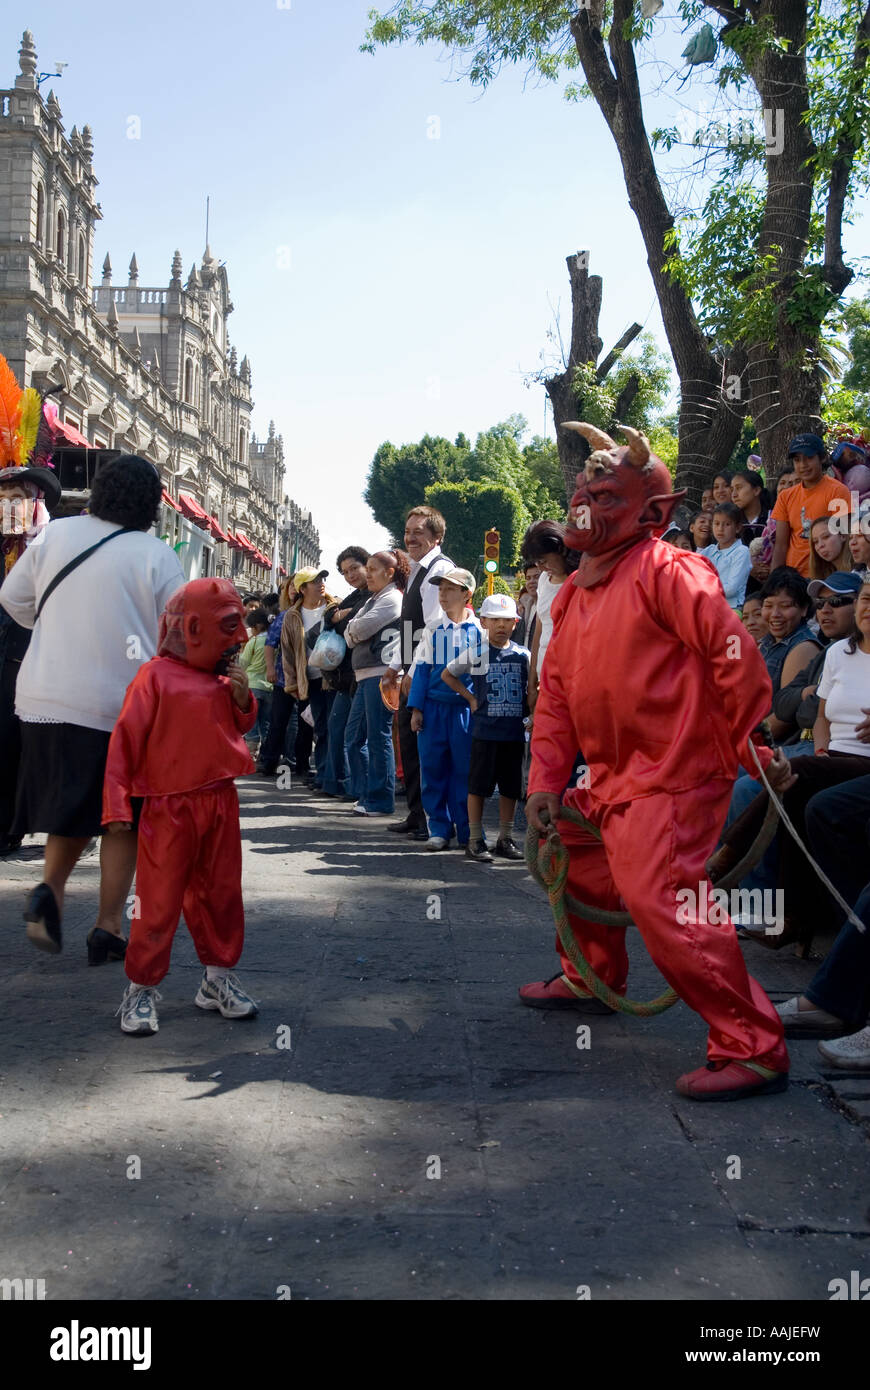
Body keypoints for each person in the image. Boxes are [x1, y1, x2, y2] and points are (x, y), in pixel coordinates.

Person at [521, 420, 794, 1102]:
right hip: (616, 778)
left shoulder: (670, 570)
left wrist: (742, 741)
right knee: (577, 846)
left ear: (651, 512)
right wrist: (546, 783)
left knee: (665, 899)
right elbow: (554, 696)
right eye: (586, 487)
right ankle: (592, 974)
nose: (585, 502)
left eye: (605, 492)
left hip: (673, 775)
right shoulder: (580, 594)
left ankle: (751, 1045)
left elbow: (732, 654)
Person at [0, 454, 184, 960]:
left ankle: (50, 891)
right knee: (119, 816)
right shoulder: (157, 555)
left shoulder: (54, 535)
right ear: (151, 502)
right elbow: (179, 635)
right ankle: (108, 927)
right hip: (121, 706)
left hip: (43, 697)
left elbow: (13, 600)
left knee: (68, 806)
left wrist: (57, 630)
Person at [103, 579, 259, 1035]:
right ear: (193, 628)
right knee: (156, 899)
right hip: (168, 808)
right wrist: (116, 805)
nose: (241, 637)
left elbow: (239, 723)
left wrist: (242, 697)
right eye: (231, 625)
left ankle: (217, 978)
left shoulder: (220, 676)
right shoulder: (153, 676)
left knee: (223, 893)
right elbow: (124, 742)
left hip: (219, 800)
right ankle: (141, 985)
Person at [0, 456, 62, 854]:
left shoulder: (49, 550)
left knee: (14, 743)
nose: (9, 506)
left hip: (28, 663)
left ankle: (10, 824)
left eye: (18, 497)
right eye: (3, 497)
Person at [441, 592, 531, 863]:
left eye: (507, 620)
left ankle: (505, 837)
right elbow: (448, 674)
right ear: (483, 621)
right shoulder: (477, 653)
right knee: (478, 786)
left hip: (513, 733)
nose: (501, 626)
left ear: (516, 623)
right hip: (484, 731)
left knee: (510, 788)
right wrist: (470, 698)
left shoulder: (523, 655)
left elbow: (532, 687)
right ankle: (475, 838)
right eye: (495, 620)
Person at [382, 507, 455, 842]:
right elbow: (410, 628)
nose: (410, 538)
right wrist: (394, 667)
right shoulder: (416, 572)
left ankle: (432, 819)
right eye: (407, 531)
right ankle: (416, 814)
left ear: (436, 537)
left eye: (418, 532)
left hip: (429, 674)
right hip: (413, 670)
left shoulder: (439, 570)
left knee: (425, 749)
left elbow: (434, 629)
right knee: (409, 746)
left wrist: (412, 670)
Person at [407, 568, 480, 851]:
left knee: (464, 771)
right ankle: (438, 827)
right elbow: (423, 670)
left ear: (466, 594)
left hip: (464, 712)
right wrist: (416, 708)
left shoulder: (480, 631)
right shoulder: (433, 629)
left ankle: (467, 830)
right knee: (433, 769)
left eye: (450, 590)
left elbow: (481, 676)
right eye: (440, 590)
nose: (443, 595)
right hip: (433, 709)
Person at [344, 550, 410, 816]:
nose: (367, 575)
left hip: (382, 675)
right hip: (366, 676)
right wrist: (353, 629)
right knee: (354, 737)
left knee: (377, 736)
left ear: (390, 573)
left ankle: (381, 799)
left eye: (372, 569)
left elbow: (356, 630)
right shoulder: (374, 598)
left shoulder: (393, 598)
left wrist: (352, 629)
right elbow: (352, 631)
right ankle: (367, 795)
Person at [280, 568, 338, 790]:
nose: (320, 584)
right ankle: (323, 773)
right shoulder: (292, 616)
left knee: (335, 727)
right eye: (314, 581)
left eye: (322, 579)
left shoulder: (335, 607)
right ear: (302, 588)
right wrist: (292, 683)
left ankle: (333, 775)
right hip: (310, 680)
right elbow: (287, 652)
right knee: (320, 728)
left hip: (334, 678)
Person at [321, 547, 370, 799]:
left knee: (358, 735)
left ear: (366, 564)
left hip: (364, 673)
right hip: (345, 677)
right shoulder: (355, 596)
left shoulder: (376, 593)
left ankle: (358, 788)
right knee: (337, 727)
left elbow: (349, 623)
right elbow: (331, 616)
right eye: (345, 572)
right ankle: (334, 782)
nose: (350, 575)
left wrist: (341, 616)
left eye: (353, 568)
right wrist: (338, 614)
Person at [770, 433, 851, 576]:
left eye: (809, 458)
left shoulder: (839, 491)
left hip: (827, 577)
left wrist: (841, 580)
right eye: (797, 460)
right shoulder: (785, 496)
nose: (803, 465)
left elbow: (845, 542)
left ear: (822, 458)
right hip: (793, 577)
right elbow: (781, 546)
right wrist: (773, 582)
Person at [520, 520, 580, 711]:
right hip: (545, 683)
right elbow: (540, 629)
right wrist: (532, 683)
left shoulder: (581, 580)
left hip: (573, 681)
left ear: (561, 548)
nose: (542, 567)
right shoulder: (544, 580)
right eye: (537, 562)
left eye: (544, 560)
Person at [758, 568, 822, 738]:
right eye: (768, 605)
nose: (775, 614)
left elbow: (783, 717)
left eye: (785, 606)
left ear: (804, 609)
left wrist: (746, 742)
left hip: (777, 747)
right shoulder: (766, 643)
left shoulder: (803, 648)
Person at [256, 577, 297, 776]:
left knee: (305, 723)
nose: (294, 590)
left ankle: (299, 761)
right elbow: (270, 644)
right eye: (290, 587)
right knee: (278, 720)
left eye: (299, 586)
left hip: (312, 677)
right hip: (284, 677)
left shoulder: (320, 612)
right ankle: (270, 759)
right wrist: (271, 668)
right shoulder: (284, 616)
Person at [699, 502, 752, 609]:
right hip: (709, 605)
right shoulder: (708, 551)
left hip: (731, 607)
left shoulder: (741, 552)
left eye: (727, 524)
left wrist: (703, 587)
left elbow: (731, 589)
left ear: (737, 527)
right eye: (716, 523)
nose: (720, 529)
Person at [239, 606, 272, 756]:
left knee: (252, 719)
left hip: (252, 686)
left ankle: (252, 748)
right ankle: (266, 751)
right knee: (266, 722)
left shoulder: (254, 642)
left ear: (257, 626)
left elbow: (243, 663)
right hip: (270, 688)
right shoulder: (274, 640)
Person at [731, 468, 771, 545]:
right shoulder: (731, 521)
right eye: (732, 489)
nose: (734, 494)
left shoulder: (772, 519)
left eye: (739, 488)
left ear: (756, 490)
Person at [808, 515, 853, 582]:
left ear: (842, 536)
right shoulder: (822, 577)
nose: (820, 545)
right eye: (815, 542)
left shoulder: (861, 569)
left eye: (826, 537)